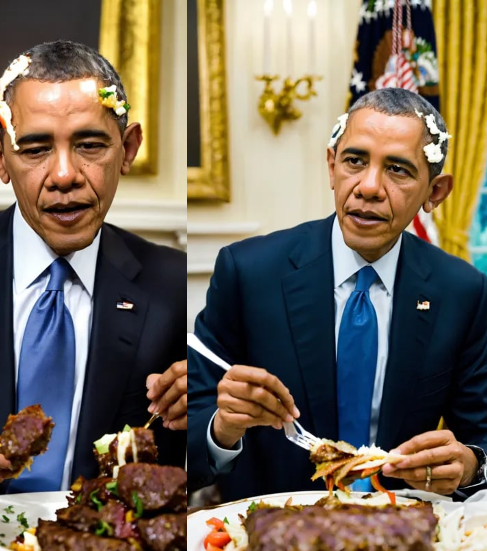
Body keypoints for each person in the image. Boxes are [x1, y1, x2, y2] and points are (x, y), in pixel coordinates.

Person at [0, 41, 187, 517]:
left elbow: (206, 468)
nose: (64, 175)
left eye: (89, 145)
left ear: (127, 149)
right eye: (35, 149)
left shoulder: (173, 287)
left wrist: (206, 414)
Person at [187, 87, 487, 501]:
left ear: (435, 192)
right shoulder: (248, 272)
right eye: (355, 161)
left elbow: (480, 437)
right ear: (332, 167)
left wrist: (469, 464)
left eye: (398, 169)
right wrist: (222, 428)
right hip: (267, 524)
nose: (369, 187)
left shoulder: (462, 292)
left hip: (402, 526)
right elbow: (191, 424)